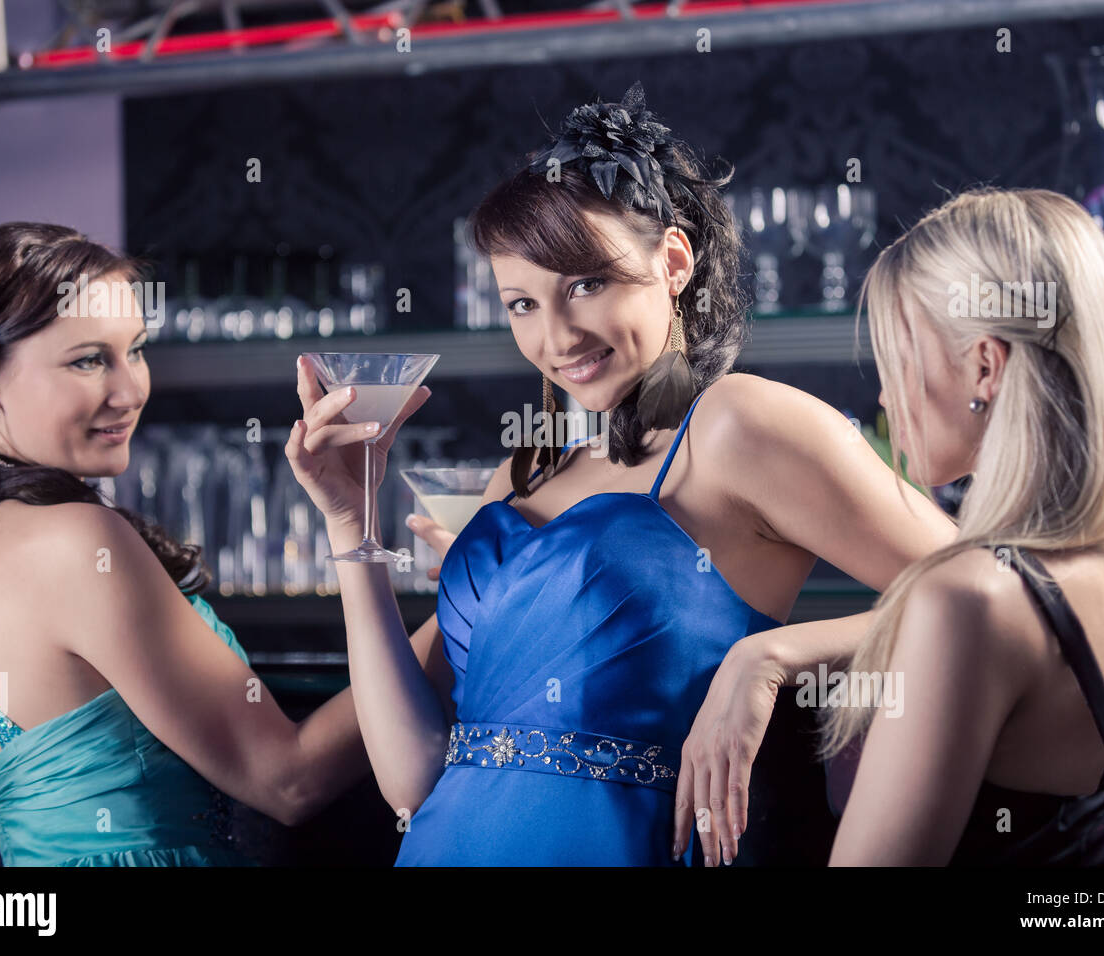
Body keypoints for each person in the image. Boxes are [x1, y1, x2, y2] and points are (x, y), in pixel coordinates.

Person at [286, 81, 957, 866]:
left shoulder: (739, 425)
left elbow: (1001, 598)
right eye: (522, 305)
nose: (557, 334)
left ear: (673, 261)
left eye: (585, 285)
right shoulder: (526, 476)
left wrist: (769, 658)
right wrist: (350, 526)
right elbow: (410, 778)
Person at [679, 186, 1104, 866]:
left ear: (984, 366)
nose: (883, 395)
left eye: (898, 360)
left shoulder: (969, 598)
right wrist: (770, 652)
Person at [0, 223, 376, 865]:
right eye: (88, 359)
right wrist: (472, 611)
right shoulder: (78, 542)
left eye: (137, 350)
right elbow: (290, 780)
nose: (130, 392)